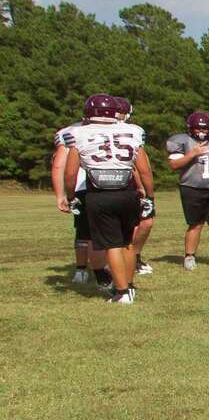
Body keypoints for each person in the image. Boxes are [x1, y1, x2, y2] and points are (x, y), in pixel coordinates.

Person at [62, 94, 155, 304]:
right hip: (128, 192)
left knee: (111, 244)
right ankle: (129, 285)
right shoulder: (133, 131)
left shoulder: (77, 133)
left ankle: (122, 292)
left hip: (99, 194)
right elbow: (145, 170)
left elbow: (70, 173)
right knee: (127, 242)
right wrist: (149, 196)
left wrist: (70, 196)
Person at [165, 112, 209, 270]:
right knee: (196, 224)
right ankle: (189, 256)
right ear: (190, 128)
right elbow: (174, 165)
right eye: (198, 128)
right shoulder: (183, 141)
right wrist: (192, 153)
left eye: (204, 128)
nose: (201, 131)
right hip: (193, 188)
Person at [51, 101, 108, 287]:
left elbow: (59, 165)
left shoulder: (70, 132)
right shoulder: (121, 130)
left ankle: (82, 270)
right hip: (114, 186)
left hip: (81, 187)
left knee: (85, 231)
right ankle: (109, 272)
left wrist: (61, 195)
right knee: (112, 232)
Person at [113, 97, 155, 276]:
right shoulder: (96, 130)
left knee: (145, 222)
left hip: (130, 183)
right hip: (118, 182)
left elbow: (140, 161)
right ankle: (115, 264)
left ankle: (134, 257)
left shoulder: (135, 131)